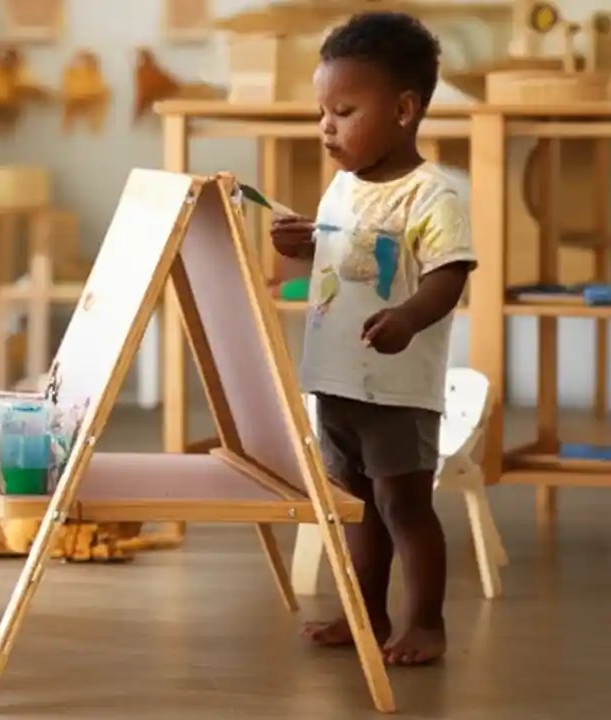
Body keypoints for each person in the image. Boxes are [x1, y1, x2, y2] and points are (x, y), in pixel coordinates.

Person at [270, 12, 476, 666]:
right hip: (336, 379)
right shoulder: (342, 186)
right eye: (321, 111)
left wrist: (408, 319)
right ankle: (365, 615)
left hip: (396, 387)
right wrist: (302, 249)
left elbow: (449, 277)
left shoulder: (431, 195)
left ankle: (427, 623)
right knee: (357, 507)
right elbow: (345, 265)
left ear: (405, 110)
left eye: (344, 110)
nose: (325, 126)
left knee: (404, 507)